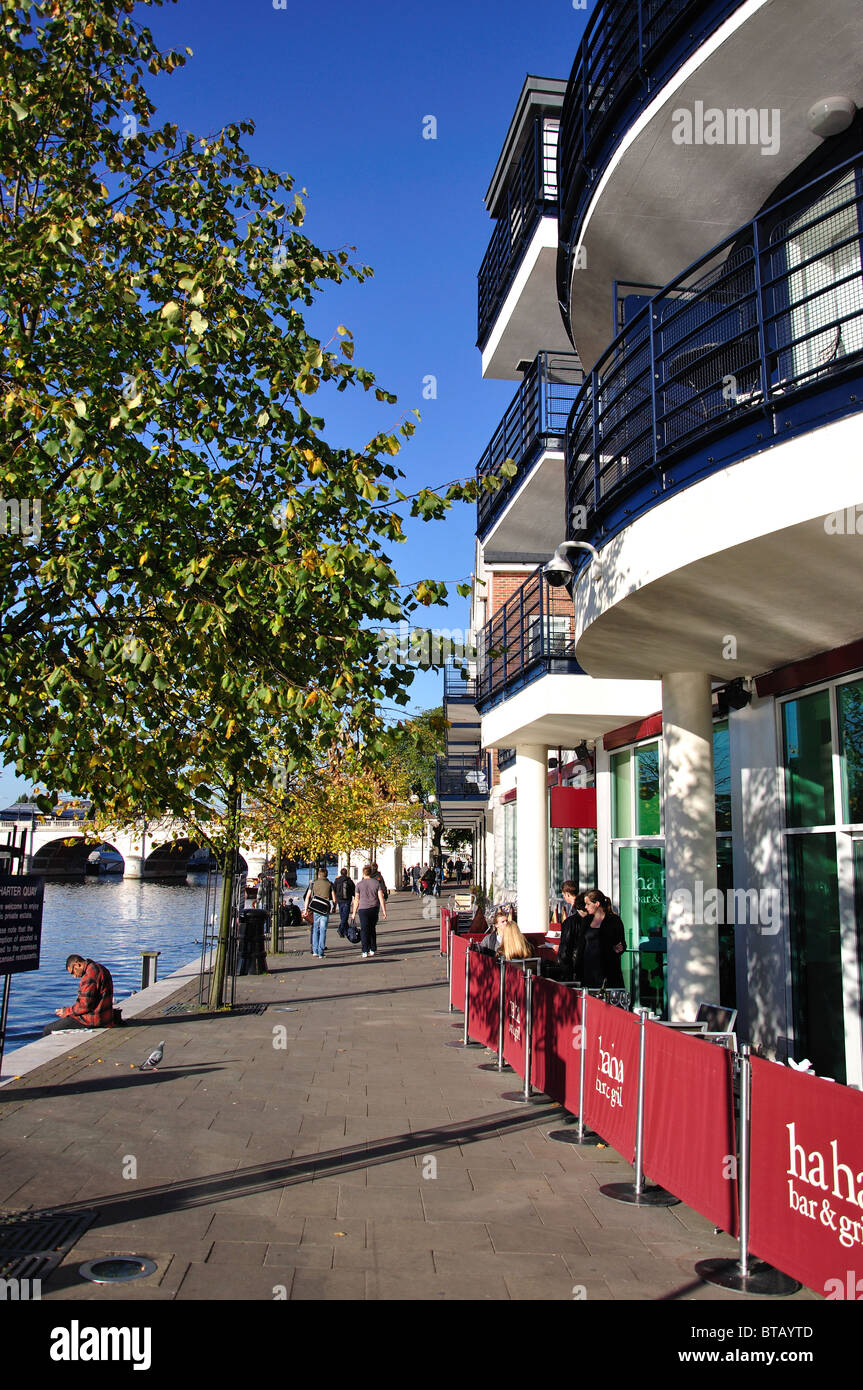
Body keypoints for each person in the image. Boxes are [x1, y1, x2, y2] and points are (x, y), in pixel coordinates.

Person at [42, 954, 117, 1034]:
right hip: (106, 1016)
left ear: (77, 964)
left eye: (73, 972)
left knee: (47, 1030)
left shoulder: (89, 975)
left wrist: (66, 1011)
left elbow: (85, 1006)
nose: (74, 976)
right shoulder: (99, 967)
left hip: (94, 1020)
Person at [573, 889, 627, 988]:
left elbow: (621, 945)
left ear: (597, 903)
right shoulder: (586, 920)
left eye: (588, 904)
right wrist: (577, 969)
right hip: (588, 971)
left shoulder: (614, 920)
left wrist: (618, 949)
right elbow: (581, 946)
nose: (585, 907)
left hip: (607, 971)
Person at [545, 882, 588, 981]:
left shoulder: (576, 913)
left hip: (576, 963)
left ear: (568, 894)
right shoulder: (580, 911)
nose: (564, 897)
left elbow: (570, 942)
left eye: (564, 895)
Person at [350, 864, 387, 958]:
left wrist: (353, 913)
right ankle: (372, 948)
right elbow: (381, 897)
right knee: (372, 928)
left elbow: (356, 900)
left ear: (363, 873)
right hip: (374, 908)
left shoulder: (359, 884)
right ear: (370, 873)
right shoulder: (376, 883)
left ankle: (364, 950)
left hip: (363, 909)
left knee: (364, 929)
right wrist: (384, 911)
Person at [304, 865, 336, 960]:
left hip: (315, 908)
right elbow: (334, 898)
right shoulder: (330, 884)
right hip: (325, 909)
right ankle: (321, 952)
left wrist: (305, 909)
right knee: (323, 930)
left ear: (318, 875)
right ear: (326, 875)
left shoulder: (313, 883)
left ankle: (315, 951)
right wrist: (334, 907)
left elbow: (308, 896)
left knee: (315, 929)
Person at [333, 866, 355, 937]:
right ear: (346, 873)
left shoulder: (337, 880)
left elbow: (334, 889)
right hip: (347, 900)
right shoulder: (349, 881)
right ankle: (341, 929)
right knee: (345, 916)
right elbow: (353, 890)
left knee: (342, 916)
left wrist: (334, 899)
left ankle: (345, 932)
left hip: (339, 900)